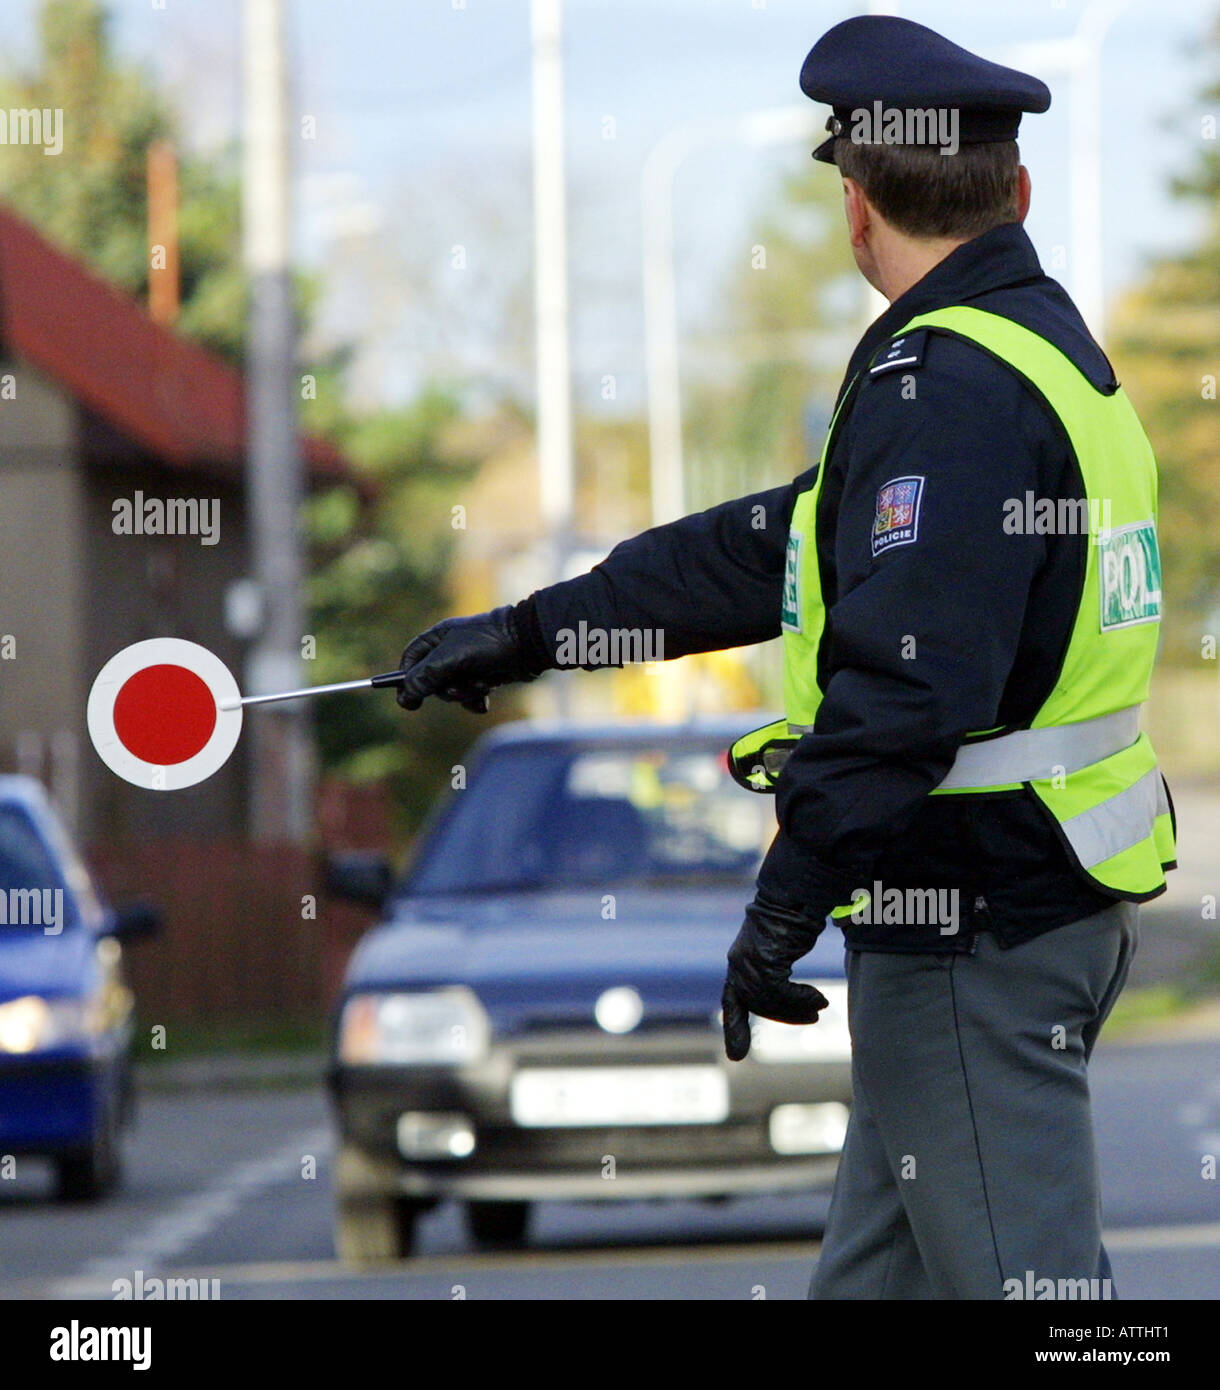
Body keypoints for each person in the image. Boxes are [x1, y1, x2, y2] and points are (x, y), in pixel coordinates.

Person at [392, 15, 1176, 1300]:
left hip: (971, 919)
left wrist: (782, 905)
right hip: (1022, 898)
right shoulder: (1025, 357)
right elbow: (772, 548)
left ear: (855, 209)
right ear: (1013, 191)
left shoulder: (952, 390)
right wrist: (534, 631)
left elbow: (906, 685)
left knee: (1039, 1301)